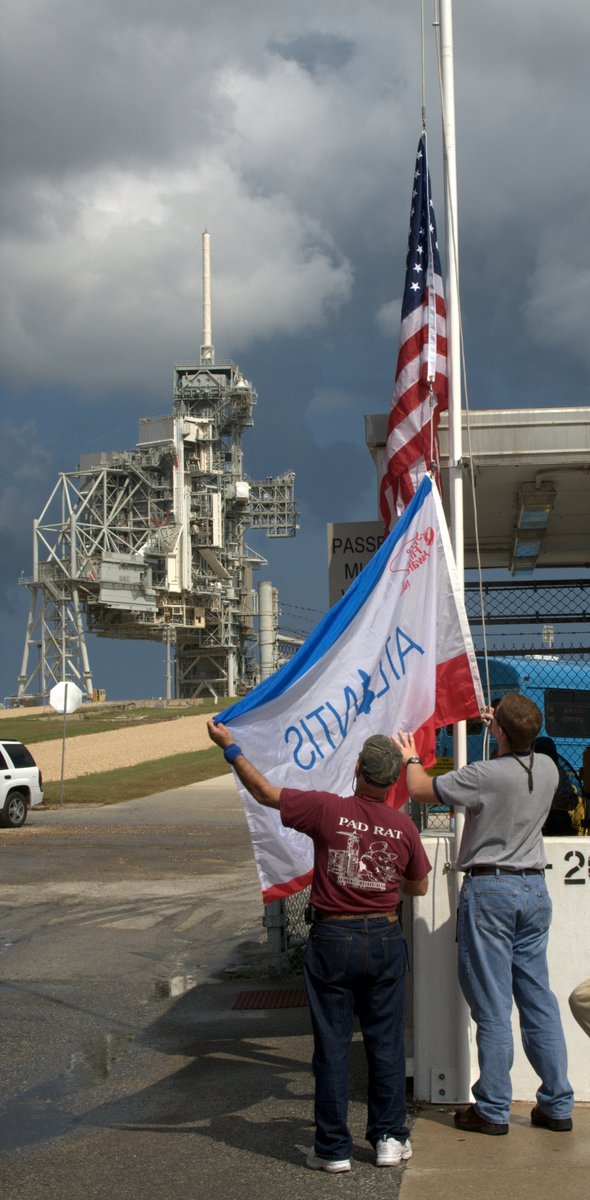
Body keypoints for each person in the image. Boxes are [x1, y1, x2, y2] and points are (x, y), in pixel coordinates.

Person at [207, 719, 431, 1172]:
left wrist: (230, 748)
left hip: (333, 936)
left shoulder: (327, 810)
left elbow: (266, 794)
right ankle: (388, 1137)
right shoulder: (403, 827)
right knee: (384, 1043)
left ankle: (332, 1148)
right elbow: (419, 887)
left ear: (357, 770)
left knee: (331, 1044)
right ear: (391, 782)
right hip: (384, 936)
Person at [393, 694, 574, 1136]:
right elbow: (518, 753)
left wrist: (412, 756)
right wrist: (503, 728)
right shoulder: (548, 769)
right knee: (538, 999)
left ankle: (492, 1107)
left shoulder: (486, 774)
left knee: (492, 1006)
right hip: (534, 888)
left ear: (501, 733)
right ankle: (557, 1102)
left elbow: (420, 788)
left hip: (491, 889)